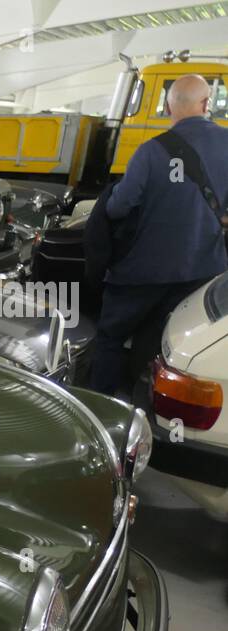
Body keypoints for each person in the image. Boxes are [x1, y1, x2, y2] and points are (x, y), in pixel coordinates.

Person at [89, 74, 228, 396]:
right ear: (207, 104)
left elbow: (119, 207)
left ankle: (104, 406)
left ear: (168, 107)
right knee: (169, 344)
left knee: (111, 337)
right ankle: (151, 405)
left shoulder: (151, 151)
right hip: (202, 273)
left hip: (142, 272)